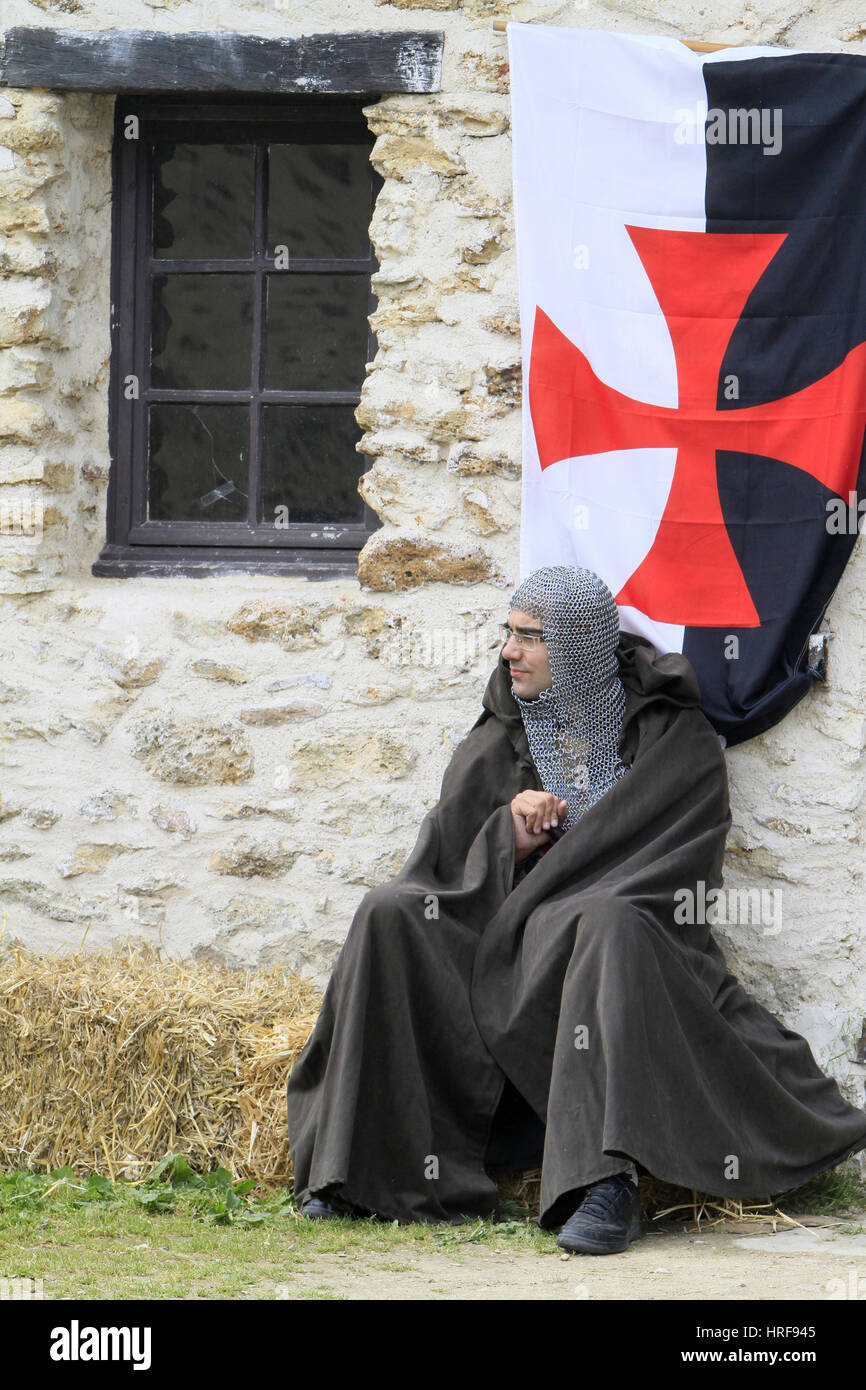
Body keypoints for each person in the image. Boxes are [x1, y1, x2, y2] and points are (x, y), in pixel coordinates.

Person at [285, 565, 866, 1255]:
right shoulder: (504, 729)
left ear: (583, 648)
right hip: (496, 922)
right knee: (391, 913)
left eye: (531, 638)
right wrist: (508, 836)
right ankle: (362, 1169)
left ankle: (603, 1184)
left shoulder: (670, 739)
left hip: (602, 934)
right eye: (509, 634)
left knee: (604, 923)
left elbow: (673, 869)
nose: (509, 651)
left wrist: (567, 867)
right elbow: (446, 857)